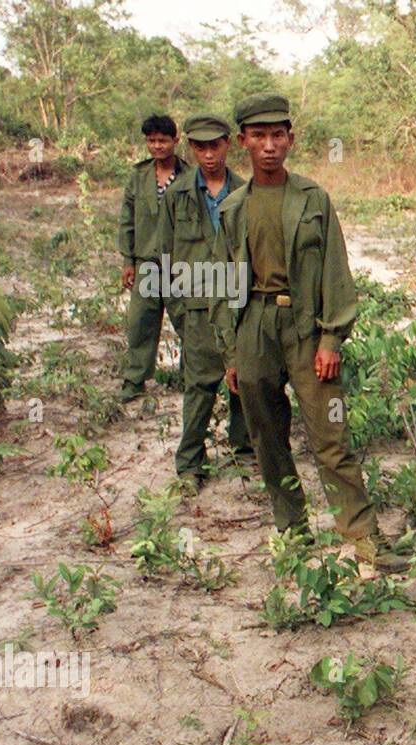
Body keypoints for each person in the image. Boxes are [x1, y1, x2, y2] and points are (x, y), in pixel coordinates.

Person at [213, 93, 406, 572]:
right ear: (243, 142)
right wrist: (230, 352)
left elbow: (334, 271)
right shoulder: (233, 207)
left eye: (278, 135)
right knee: (267, 437)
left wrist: (330, 339)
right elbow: (222, 281)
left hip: (304, 326)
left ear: (291, 139)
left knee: (330, 437)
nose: (269, 145)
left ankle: (363, 538)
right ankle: (292, 531)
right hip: (253, 324)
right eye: (258, 136)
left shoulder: (313, 198)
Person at [162, 113, 253, 493]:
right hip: (197, 305)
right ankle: (190, 463)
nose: (208, 154)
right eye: (199, 147)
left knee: (245, 381)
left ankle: (245, 452)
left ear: (228, 144)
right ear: (190, 148)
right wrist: (178, 311)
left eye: (214, 145)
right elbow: (164, 259)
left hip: (239, 300)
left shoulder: (247, 192)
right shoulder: (177, 194)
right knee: (199, 386)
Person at [117, 114, 186, 403]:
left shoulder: (190, 176)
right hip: (146, 263)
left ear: (175, 141)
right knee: (140, 324)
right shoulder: (138, 176)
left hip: (181, 264)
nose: (157, 146)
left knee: (188, 323)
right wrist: (128, 260)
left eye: (163, 140)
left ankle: (189, 378)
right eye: (152, 141)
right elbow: (127, 220)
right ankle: (135, 381)